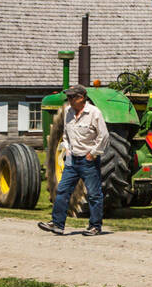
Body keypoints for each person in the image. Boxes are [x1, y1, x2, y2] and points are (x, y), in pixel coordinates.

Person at [38, 85, 109, 237]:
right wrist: (67, 149)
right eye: (68, 97)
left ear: (81, 97)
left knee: (94, 194)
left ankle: (95, 226)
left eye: (72, 97)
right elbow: (65, 133)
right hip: (72, 160)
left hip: (88, 160)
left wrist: (93, 153)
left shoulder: (94, 113)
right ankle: (57, 224)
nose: (69, 100)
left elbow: (104, 136)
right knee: (62, 190)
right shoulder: (68, 112)